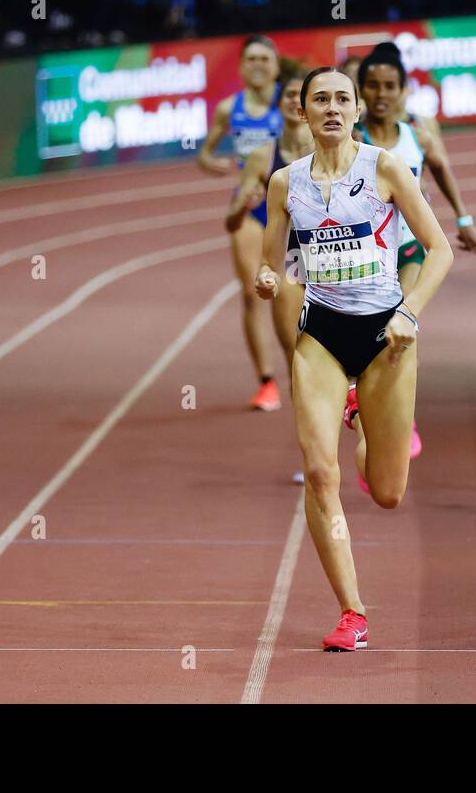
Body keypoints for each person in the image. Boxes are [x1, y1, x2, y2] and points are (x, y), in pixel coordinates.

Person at [255, 66, 453, 651]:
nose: (333, 108)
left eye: (344, 99)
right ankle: (352, 612)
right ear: (304, 111)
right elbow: (279, 262)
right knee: (320, 474)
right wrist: (270, 279)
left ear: (359, 111)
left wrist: (410, 312)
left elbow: (439, 250)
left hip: (387, 339)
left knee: (388, 491)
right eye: (321, 99)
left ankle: (360, 411)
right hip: (321, 335)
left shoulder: (385, 168)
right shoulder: (284, 184)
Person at [353, 43, 476, 464]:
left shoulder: (418, 136)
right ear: (362, 90)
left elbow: (442, 167)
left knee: (403, 325)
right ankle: (362, 399)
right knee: (366, 338)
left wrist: (463, 220)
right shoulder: (354, 138)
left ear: (404, 91)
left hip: (408, 248)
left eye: (390, 86)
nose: (381, 94)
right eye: (371, 86)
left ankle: (403, 419)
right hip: (366, 256)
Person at [227, 65, 314, 484]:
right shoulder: (265, 156)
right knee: (299, 362)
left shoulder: (340, 148)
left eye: (304, 96)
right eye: (289, 97)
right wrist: (242, 206)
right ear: (280, 105)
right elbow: (230, 221)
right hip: (294, 266)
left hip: (340, 265)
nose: (296, 104)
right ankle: (313, 456)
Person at [196, 35, 285, 411]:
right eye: (251, 58)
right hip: (249, 206)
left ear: (276, 66)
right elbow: (205, 150)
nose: (258, 65)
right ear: (241, 67)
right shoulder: (229, 109)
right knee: (252, 293)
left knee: (293, 294)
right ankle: (266, 381)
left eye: (265, 58)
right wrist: (209, 162)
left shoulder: (293, 102)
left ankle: (310, 365)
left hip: (292, 207)